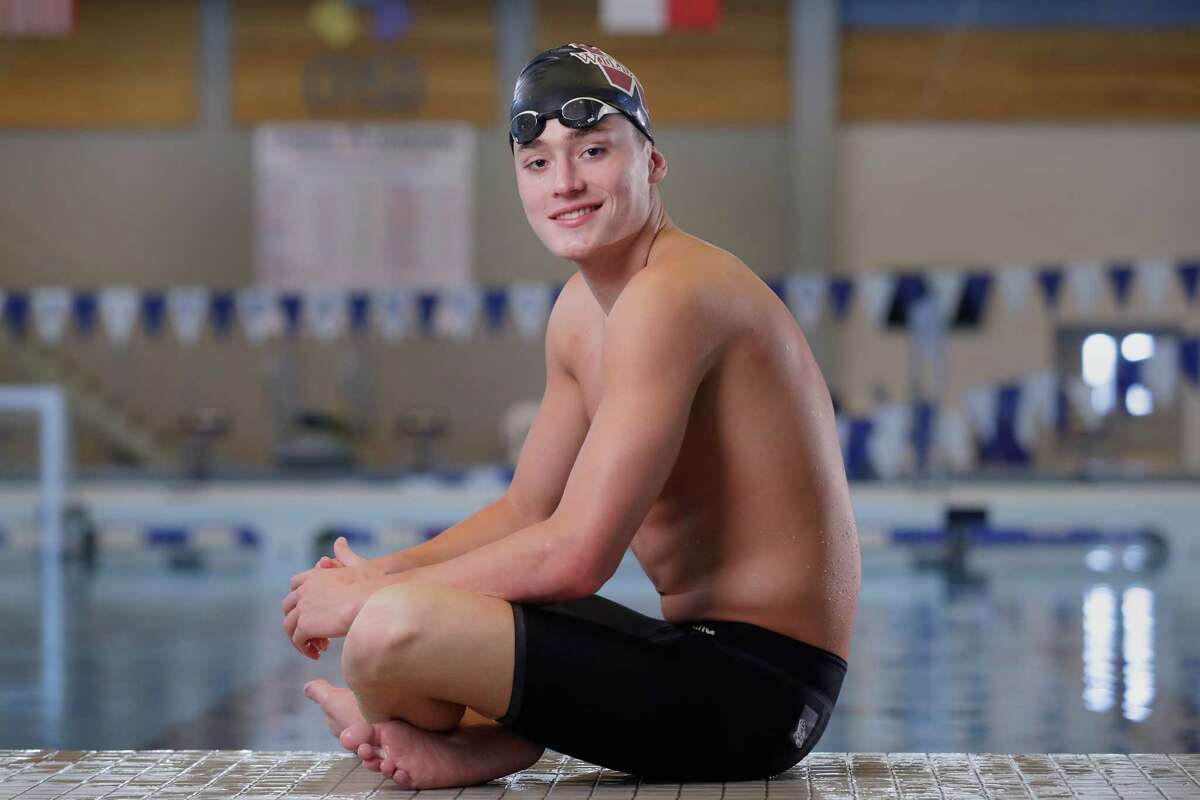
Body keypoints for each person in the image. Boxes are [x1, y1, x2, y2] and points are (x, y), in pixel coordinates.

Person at [282, 43, 860, 789]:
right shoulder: (583, 311)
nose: (567, 183)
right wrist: (379, 569)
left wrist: (371, 598)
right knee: (389, 624)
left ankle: (475, 735)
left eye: (593, 150)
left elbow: (577, 556)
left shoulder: (674, 294)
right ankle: (482, 741)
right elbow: (529, 509)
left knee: (388, 632)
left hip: (762, 694)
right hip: (683, 651)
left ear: (652, 163)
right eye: (539, 163)